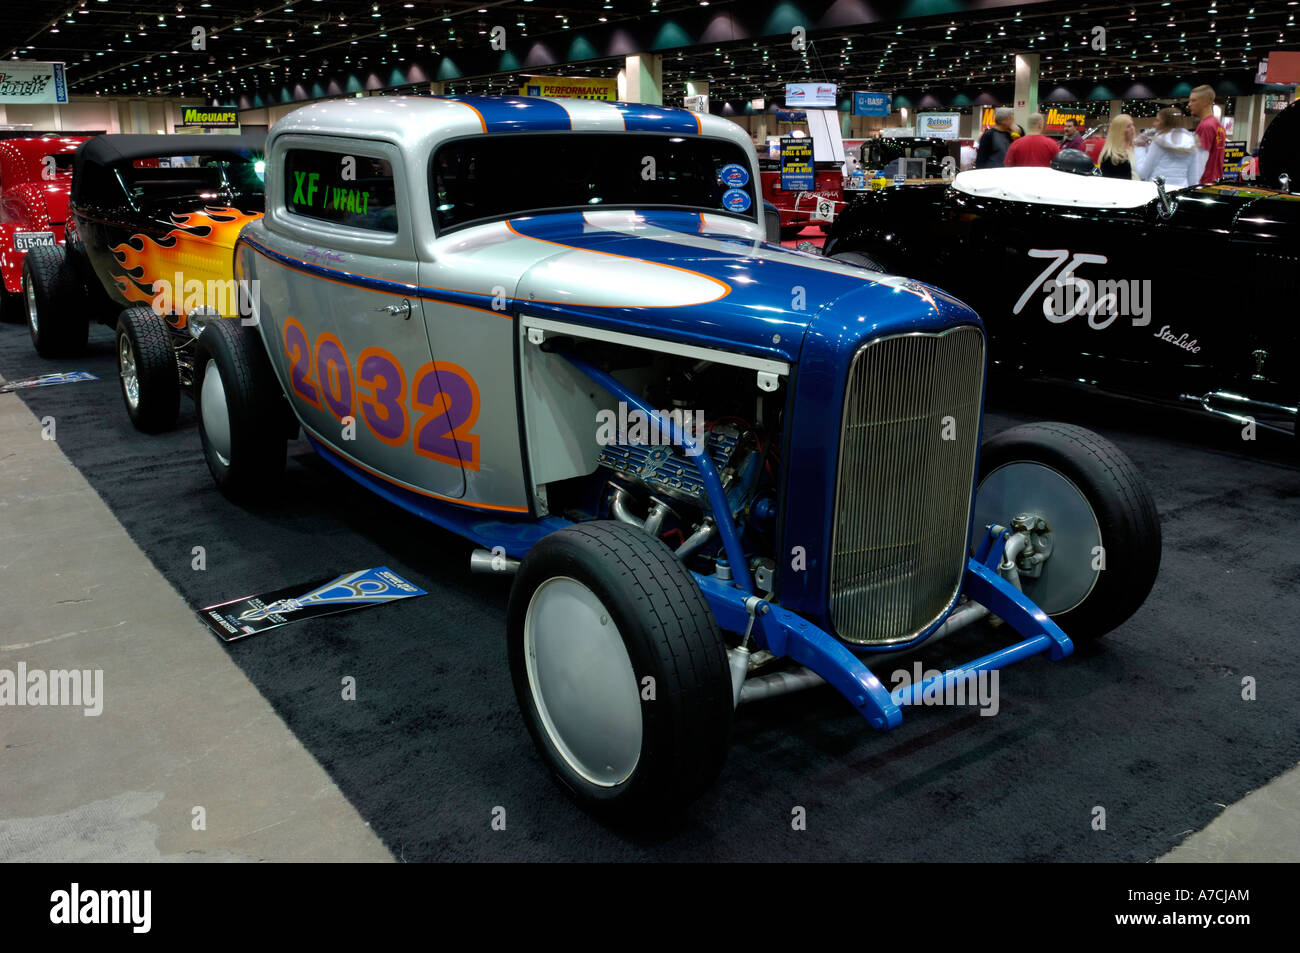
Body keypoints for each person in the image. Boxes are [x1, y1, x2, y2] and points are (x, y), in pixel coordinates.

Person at [1135, 107, 1199, 188]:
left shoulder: (1159, 142)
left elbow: (1143, 173)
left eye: (1157, 120)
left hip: (1158, 191)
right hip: (1179, 190)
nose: (1154, 124)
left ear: (1165, 123)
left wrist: (1139, 148)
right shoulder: (1191, 142)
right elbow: (1193, 178)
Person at [1188, 84, 1225, 184]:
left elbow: (1199, 161)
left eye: (1193, 100)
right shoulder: (1217, 125)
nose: (1189, 104)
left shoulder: (1205, 126)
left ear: (1206, 101)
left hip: (1204, 184)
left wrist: (1192, 185)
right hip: (1215, 181)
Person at [1098, 114, 1138, 179]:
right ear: (1119, 130)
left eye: (1132, 125)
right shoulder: (1110, 156)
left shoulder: (1136, 149)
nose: (1132, 128)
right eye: (1128, 126)